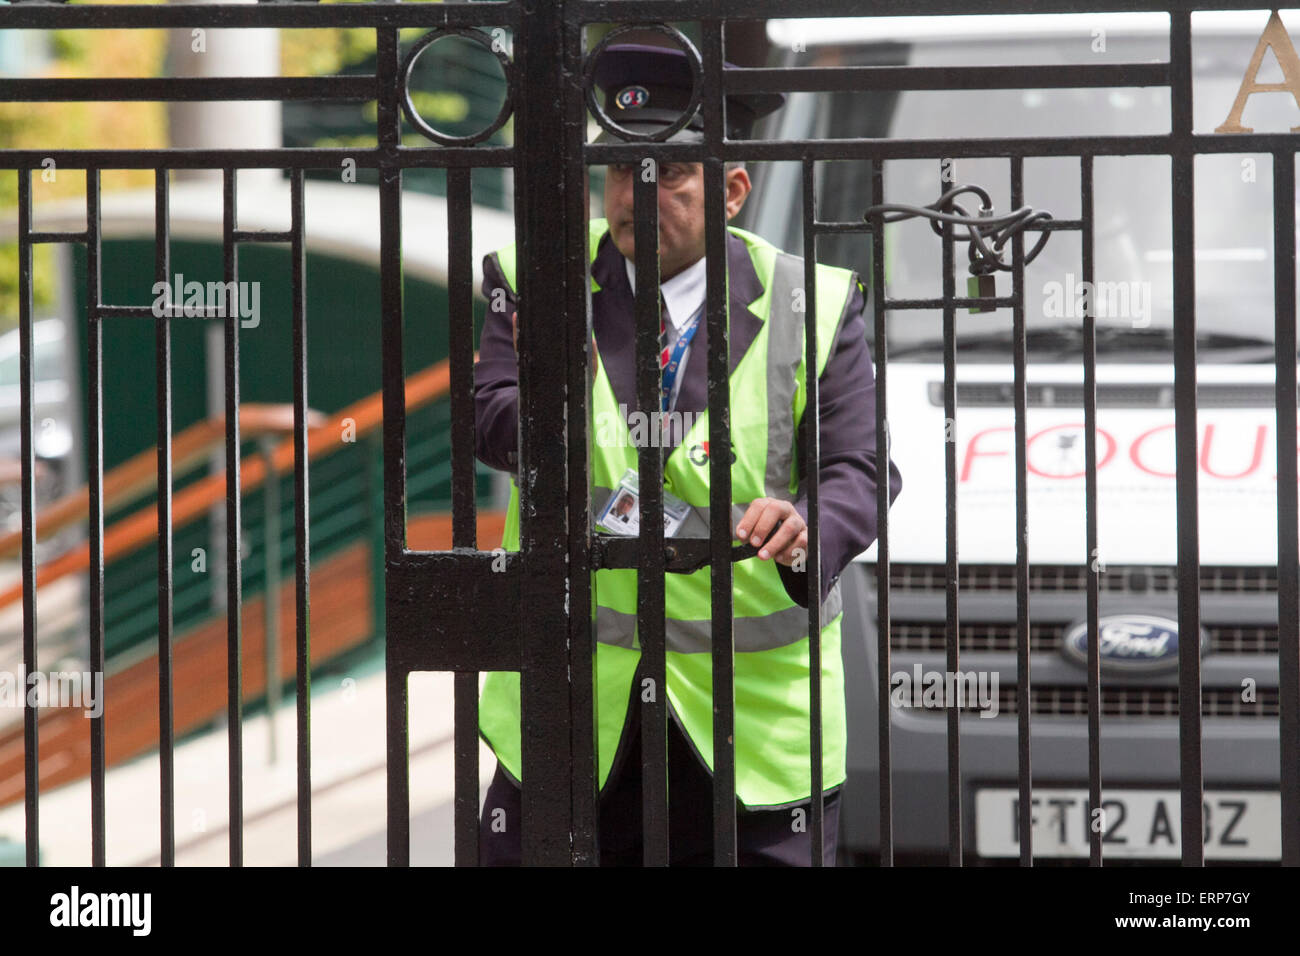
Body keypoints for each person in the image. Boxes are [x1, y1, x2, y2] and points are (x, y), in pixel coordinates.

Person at [472, 42, 903, 866]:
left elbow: (863, 467)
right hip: (574, 716)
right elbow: (489, 426)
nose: (637, 194)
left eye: (670, 173)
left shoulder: (812, 300)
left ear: (732, 191)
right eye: (621, 170)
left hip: (756, 730)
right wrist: (551, 384)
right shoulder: (533, 279)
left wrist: (809, 522)